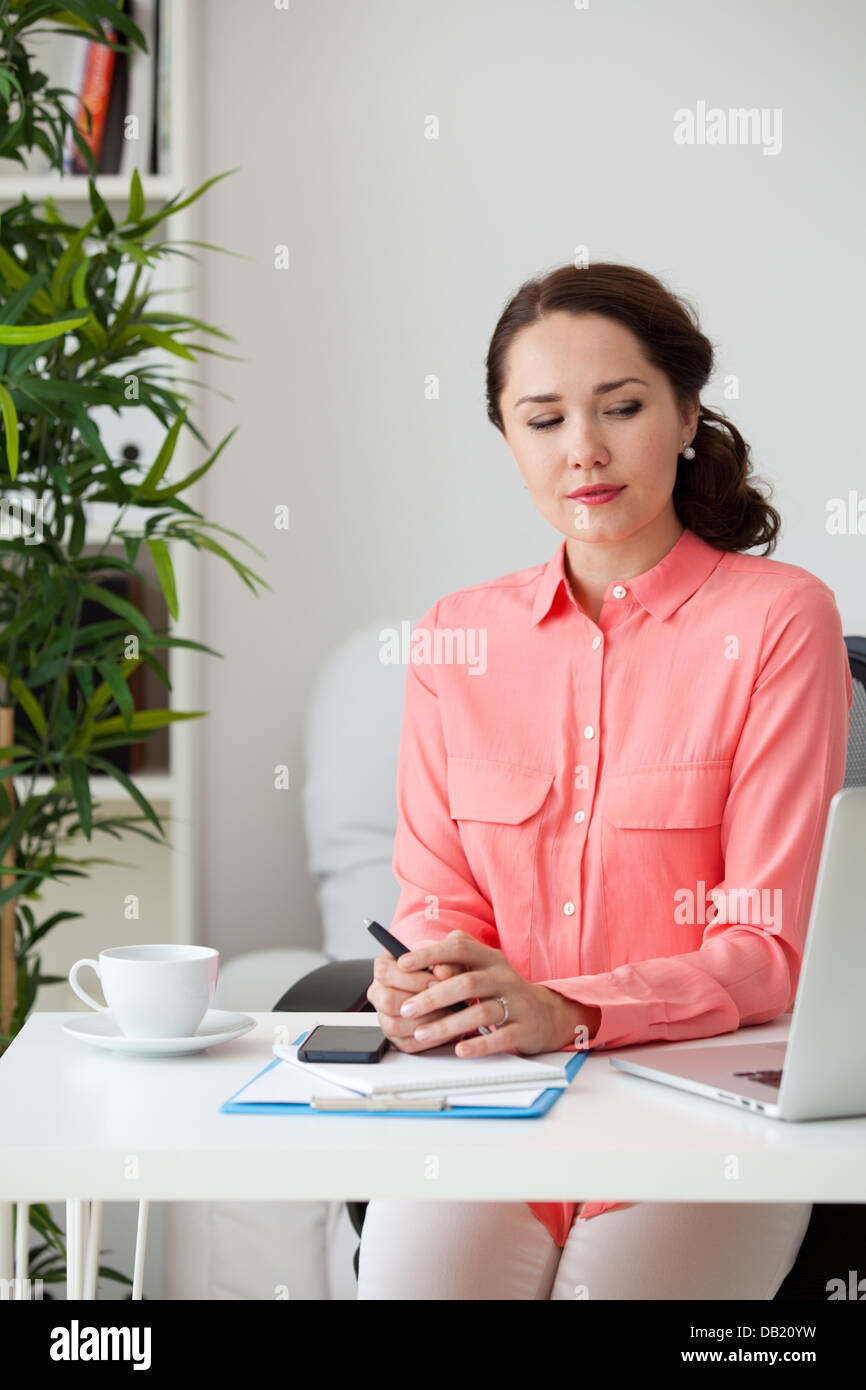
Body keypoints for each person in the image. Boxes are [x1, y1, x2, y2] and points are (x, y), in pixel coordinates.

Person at [358, 262, 853, 1299]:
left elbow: (765, 948)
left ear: (682, 414)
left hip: (701, 1102)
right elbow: (439, 903)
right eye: (540, 419)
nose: (580, 449)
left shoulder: (775, 621)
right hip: (492, 1096)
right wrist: (423, 981)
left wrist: (568, 1008)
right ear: (506, 439)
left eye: (618, 408)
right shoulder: (457, 635)